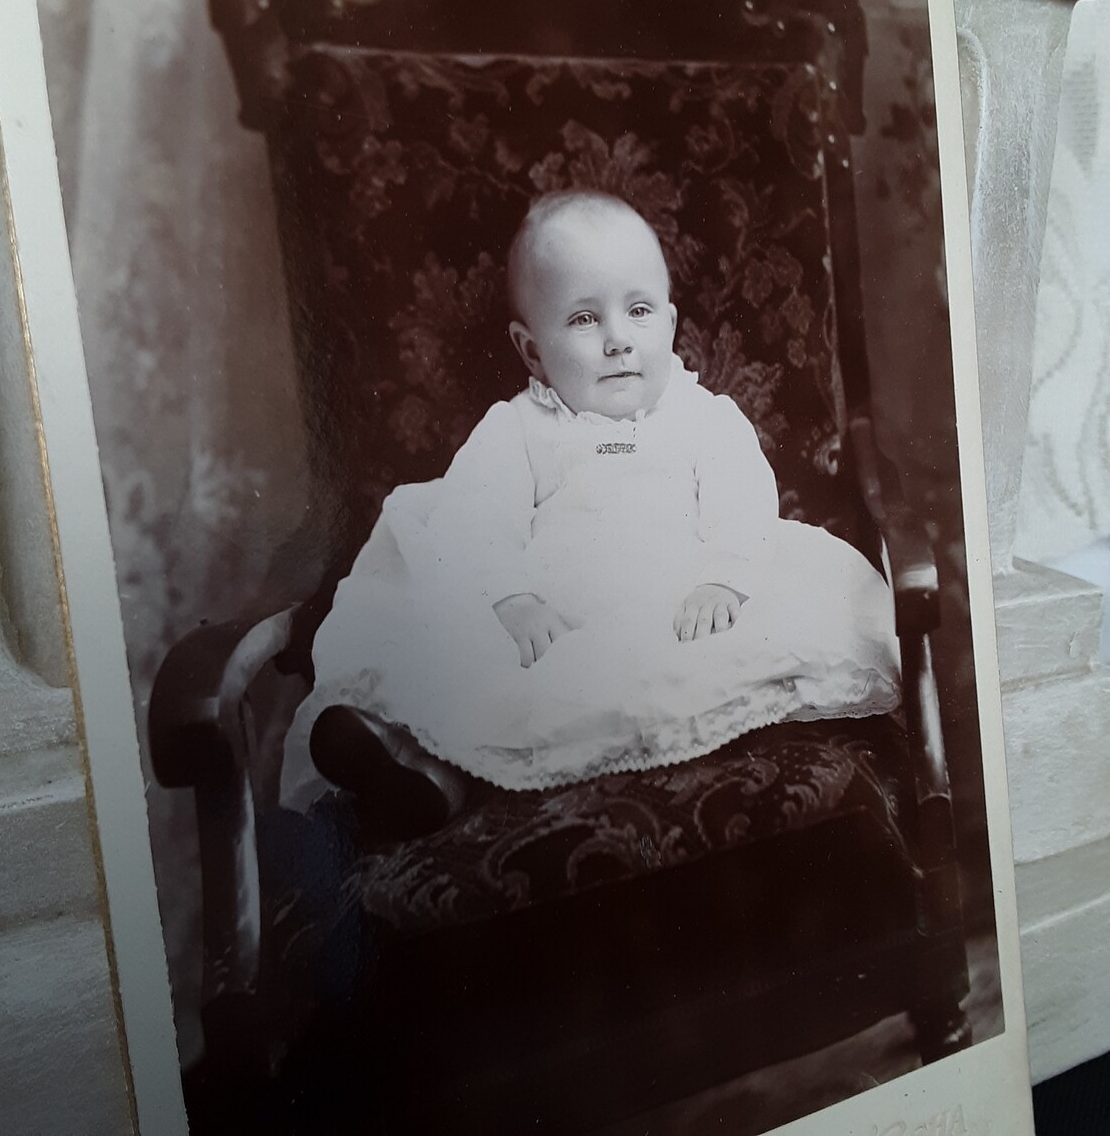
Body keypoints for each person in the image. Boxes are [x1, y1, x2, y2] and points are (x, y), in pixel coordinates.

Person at [285, 190, 899, 802]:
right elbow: (473, 514)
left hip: (683, 614)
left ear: (669, 322)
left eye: (638, 311)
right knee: (466, 666)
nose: (617, 339)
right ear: (533, 350)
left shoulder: (703, 417)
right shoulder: (518, 429)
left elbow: (744, 500)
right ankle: (426, 778)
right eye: (583, 319)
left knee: (768, 640)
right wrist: (512, 597)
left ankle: (736, 729)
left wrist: (723, 580)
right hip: (558, 632)